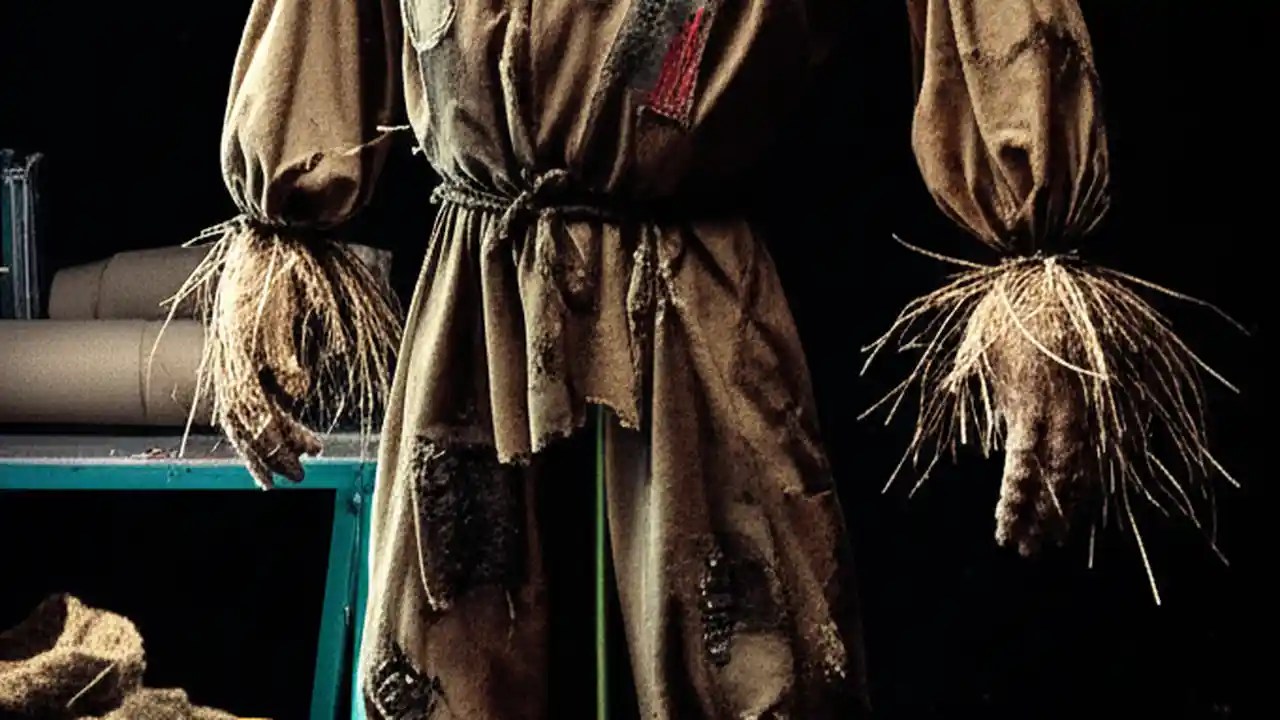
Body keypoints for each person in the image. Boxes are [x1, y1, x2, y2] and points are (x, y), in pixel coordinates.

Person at [180, 1, 1213, 717]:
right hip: (477, 306)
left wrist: (1030, 262)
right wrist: (276, 234)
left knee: (749, 677)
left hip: (691, 304)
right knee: (456, 675)